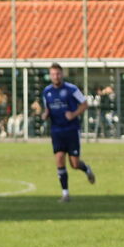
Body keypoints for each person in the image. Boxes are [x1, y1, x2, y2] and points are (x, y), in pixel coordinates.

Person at [42, 63, 95, 202]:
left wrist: (74, 114)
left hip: (71, 130)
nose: (56, 76)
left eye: (58, 74)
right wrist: (45, 114)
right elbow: (47, 108)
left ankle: (86, 169)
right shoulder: (46, 92)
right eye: (53, 74)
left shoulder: (72, 89)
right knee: (59, 159)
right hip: (56, 131)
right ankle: (65, 193)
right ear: (50, 75)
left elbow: (84, 104)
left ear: (62, 74)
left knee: (74, 164)